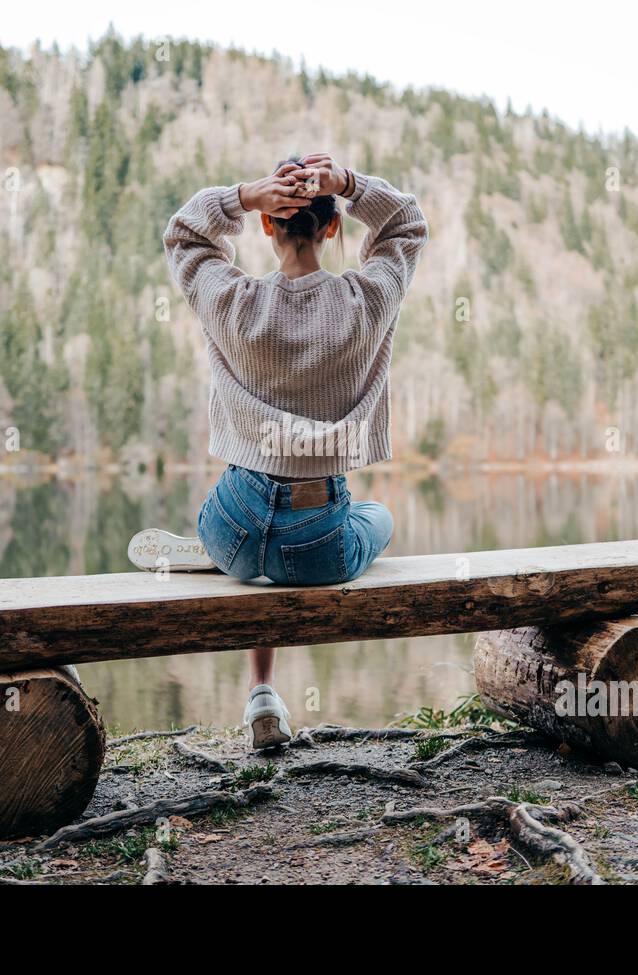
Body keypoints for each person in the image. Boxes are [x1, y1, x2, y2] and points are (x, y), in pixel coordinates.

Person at [127, 152, 428, 748]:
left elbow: (184, 233)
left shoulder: (233, 303)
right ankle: (275, 562)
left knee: (247, 540)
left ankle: (260, 690)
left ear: (269, 225)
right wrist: (349, 184)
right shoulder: (365, 303)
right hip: (316, 546)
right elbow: (407, 224)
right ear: (333, 227)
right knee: (378, 518)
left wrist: (242, 195)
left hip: (234, 521)